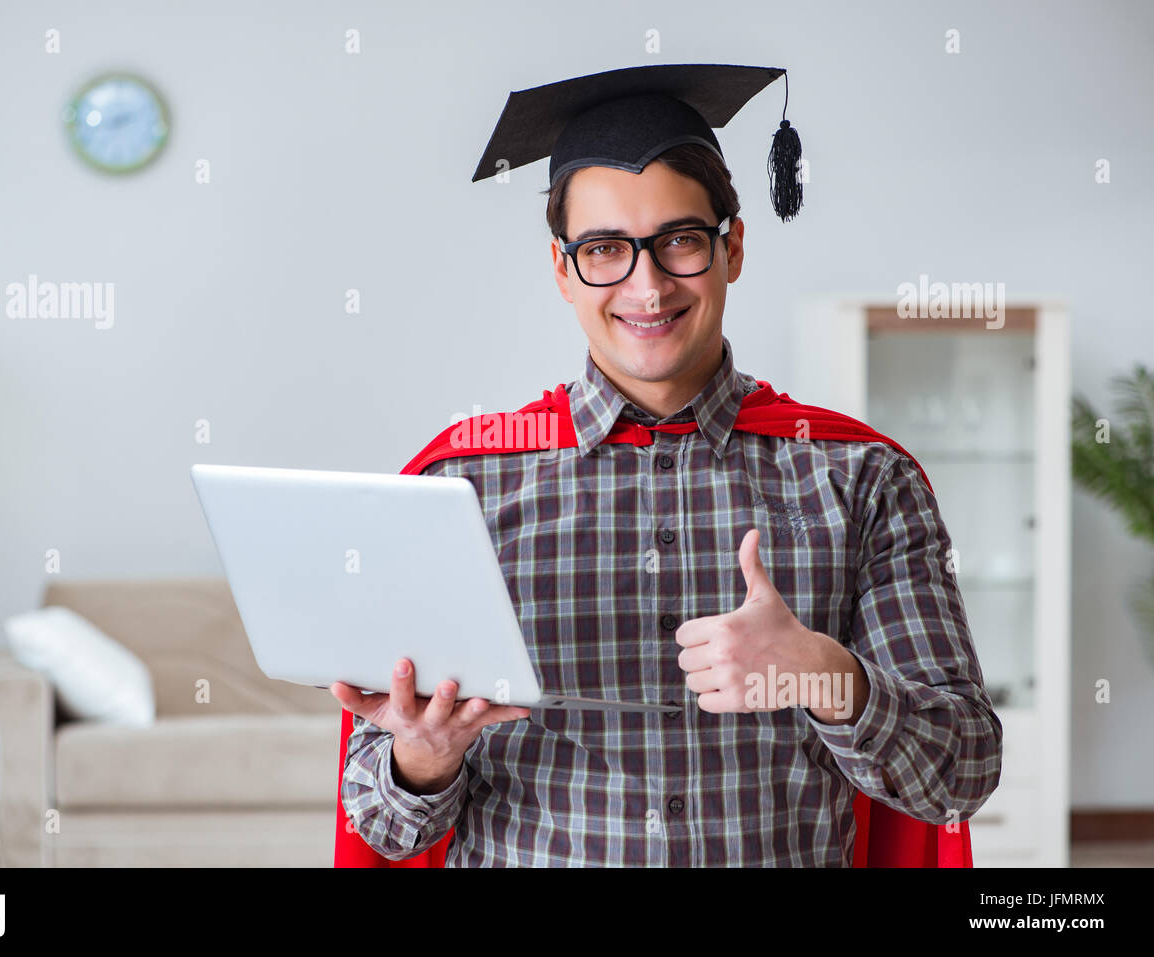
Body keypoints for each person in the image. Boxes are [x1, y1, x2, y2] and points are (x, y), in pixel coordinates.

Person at [330, 63, 1003, 866]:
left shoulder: (863, 479)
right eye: (606, 249)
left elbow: (962, 773)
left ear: (733, 247)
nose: (647, 286)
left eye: (680, 241)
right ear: (562, 270)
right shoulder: (457, 492)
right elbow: (381, 827)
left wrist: (828, 674)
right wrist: (423, 758)